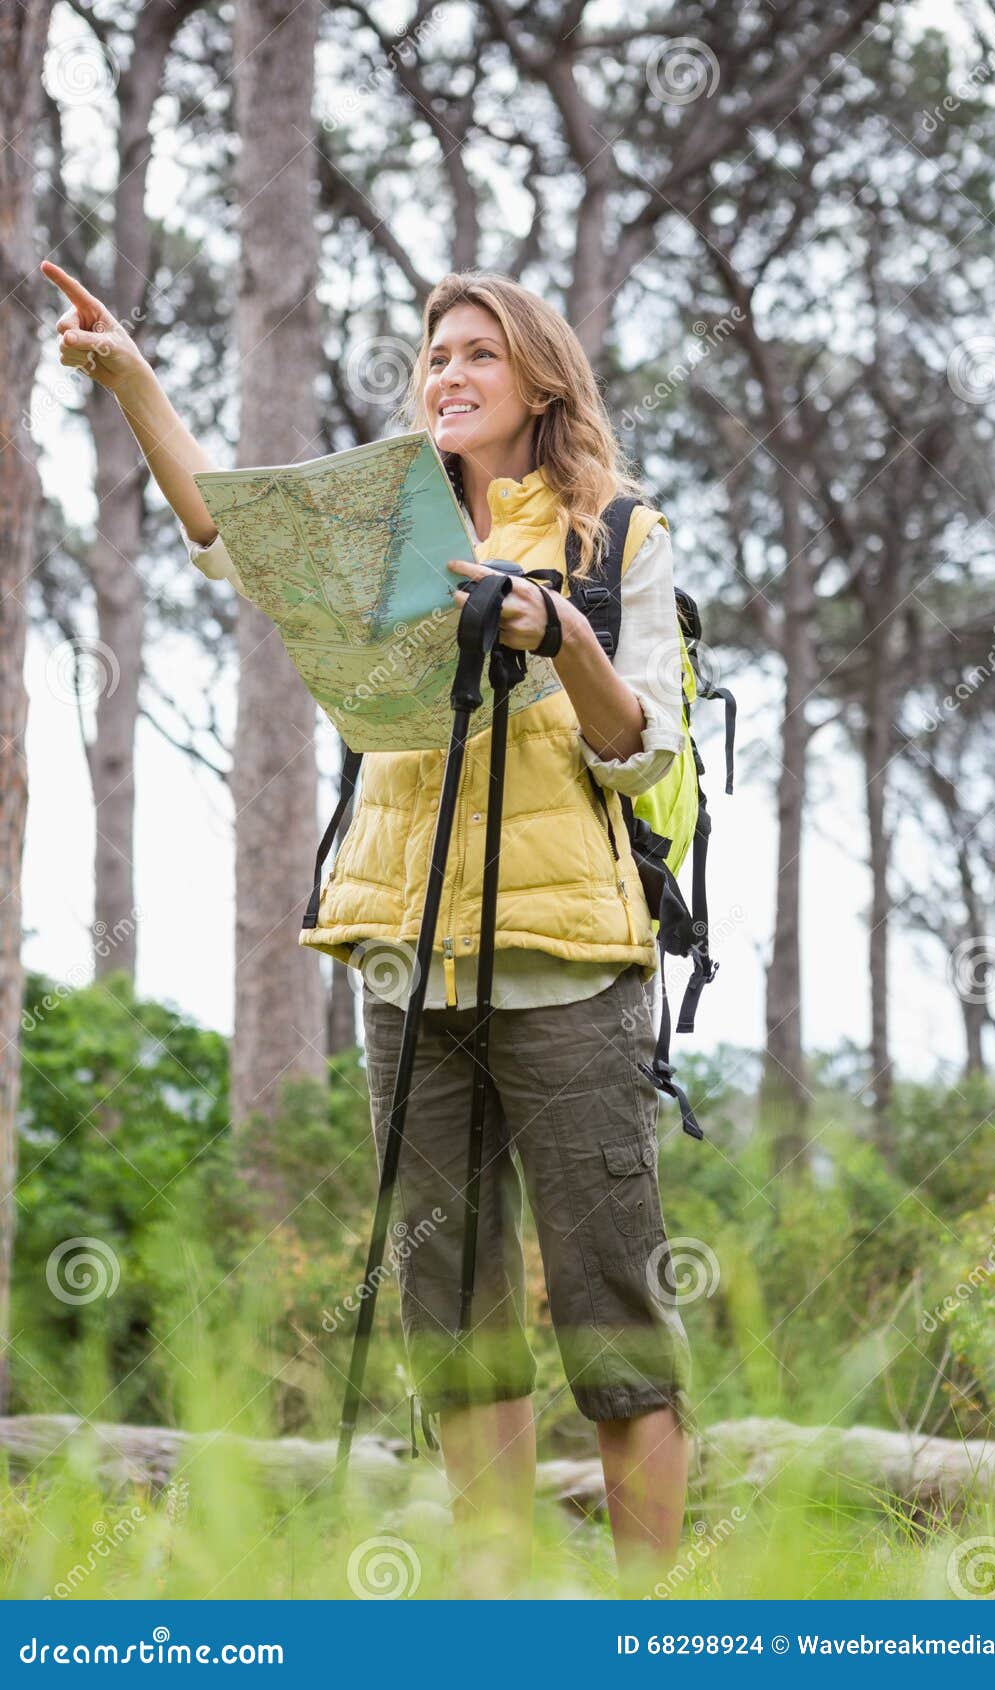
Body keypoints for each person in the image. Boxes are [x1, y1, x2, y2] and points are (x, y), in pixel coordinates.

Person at [41, 260, 695, 1595]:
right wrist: (134, 381)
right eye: (436, 354)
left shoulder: (617, 533)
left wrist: (561, 633)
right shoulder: (389, 524)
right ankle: (502, 1614)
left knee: (612, 1315)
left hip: (570, 969)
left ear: (541, 383)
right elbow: (232, 534)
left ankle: (661, 1628)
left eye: (479, 356)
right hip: (402, 960)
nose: (448, 374)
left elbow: (642, 743)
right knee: (452, 1311)